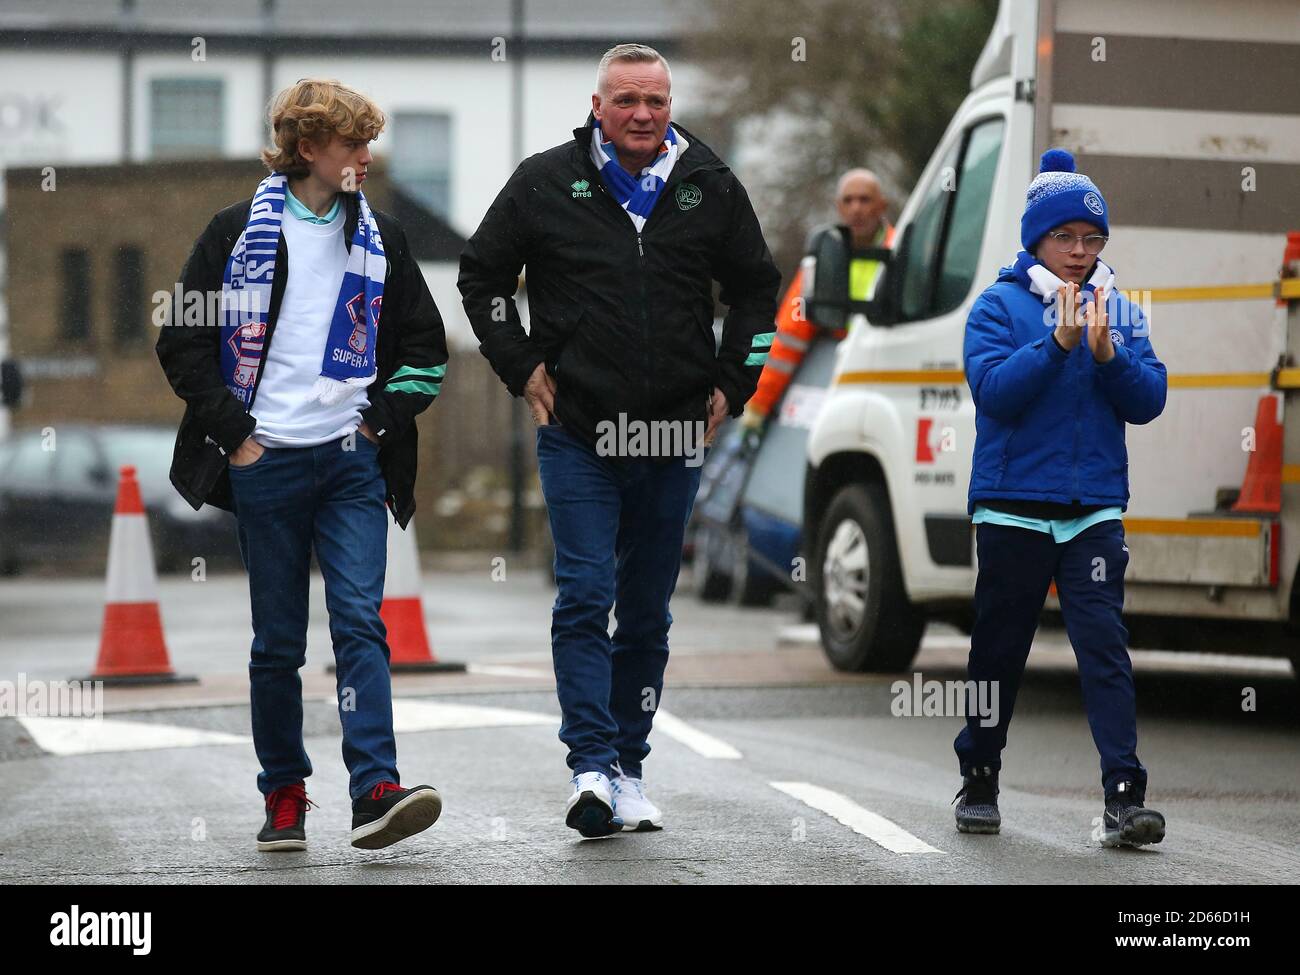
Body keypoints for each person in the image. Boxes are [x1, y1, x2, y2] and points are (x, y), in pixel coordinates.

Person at [458, 43, 780, 837]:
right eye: (627, 100)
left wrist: (733, 383)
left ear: (671, 108)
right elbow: (481, 277)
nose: (642, 115)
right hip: (577, 434)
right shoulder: (545, 181)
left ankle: (630, 765)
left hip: (673, 435)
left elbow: (757, 292)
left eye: (656, 102)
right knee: (585, 596)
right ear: (598, 106)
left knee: (645, 614)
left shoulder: (709, 184)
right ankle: (590, 768)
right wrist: (521, 364)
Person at [156, 79, 449, 852]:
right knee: (277, 643)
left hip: (354, 464)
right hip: (266, 465)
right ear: (309, 147)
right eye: (354, 142)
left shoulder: (382, 237)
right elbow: (180, 341)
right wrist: (238, 436)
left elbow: (426, 351)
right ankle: (284, 794)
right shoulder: (232, 234)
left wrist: (380, 424)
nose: (367, 155)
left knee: (360, 621)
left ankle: (374, 789)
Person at [955, 148, 1168, 848]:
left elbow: (1149, 400)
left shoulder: (1124, 311)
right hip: (1013, 506)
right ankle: (980, 775)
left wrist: (1108, 353)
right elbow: (995, 394)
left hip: (1093, 512)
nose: (1079, 252)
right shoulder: (998, 305)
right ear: (1036, 240)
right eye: (1064, 238)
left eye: (1091, 240)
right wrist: (1058, 343)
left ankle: (1124, 795)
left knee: (1104, 648)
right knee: (998, 650)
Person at [745, 168, 893, 428]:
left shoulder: (902, 251)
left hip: (887, 378)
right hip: (831, 376)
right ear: (838, 207)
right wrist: (757, 407)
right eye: (848, 200)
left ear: (882, 205)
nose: (856, 208)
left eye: (864, 199)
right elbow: (790, 335)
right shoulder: (824, 256)